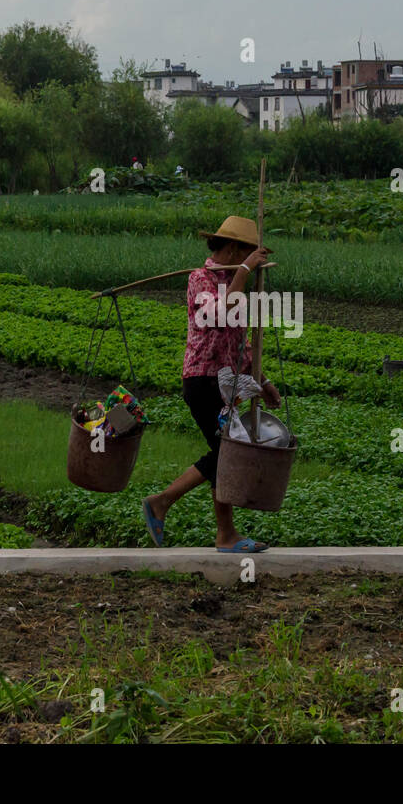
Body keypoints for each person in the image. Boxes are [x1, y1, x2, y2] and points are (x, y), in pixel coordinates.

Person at [143, 215, 281, 554]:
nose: (249, 261)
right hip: (203, 381)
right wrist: (245, 271)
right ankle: (169, 505)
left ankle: (218, 531)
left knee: (225, 453)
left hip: (225, 385)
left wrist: (263, 382)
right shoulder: (200, 279)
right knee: (226, 452)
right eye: (247, 253)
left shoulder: (232, 283)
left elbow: (239, 345)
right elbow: (217, 316)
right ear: (233, 249)